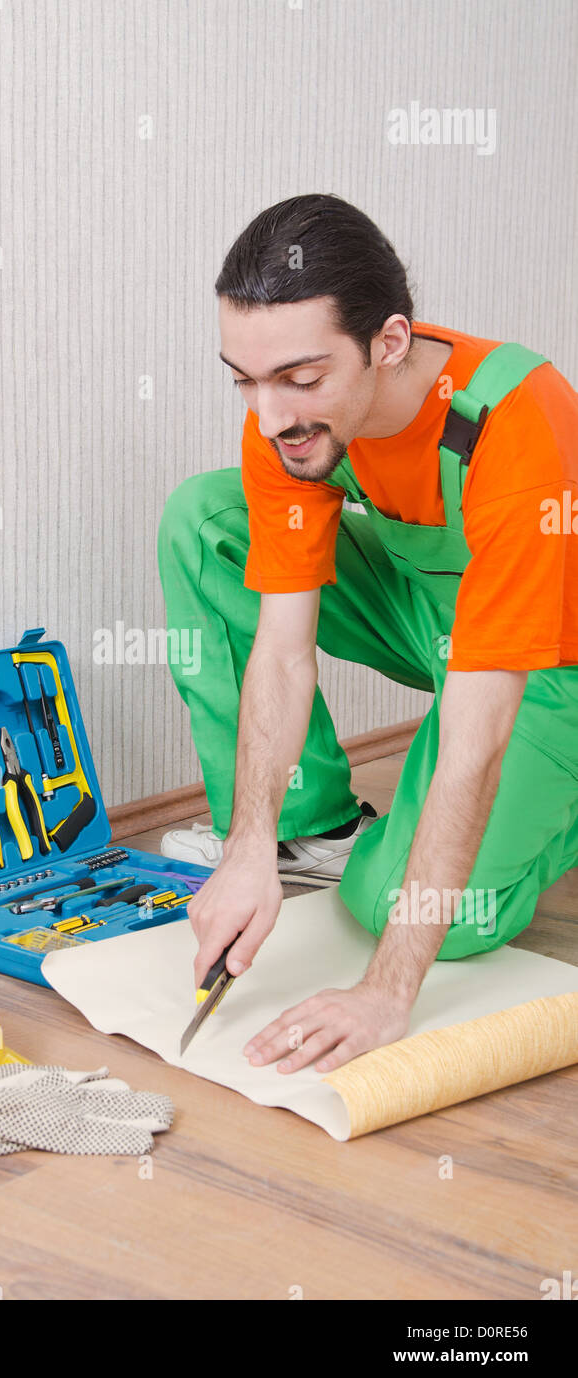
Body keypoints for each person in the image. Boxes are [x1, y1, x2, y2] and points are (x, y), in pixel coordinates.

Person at [157, 194, 578, 1075]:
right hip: (437, 616)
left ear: (387, 343)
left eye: (300, 380)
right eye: (244, 379)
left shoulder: (513, 424)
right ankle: (314, 829)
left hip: (548, 660)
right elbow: (282, 643)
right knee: (205, 520)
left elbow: (473, 735)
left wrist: (388, 990)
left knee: (406, 911)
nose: (268, 416)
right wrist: (246, 845)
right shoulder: (289, 422)